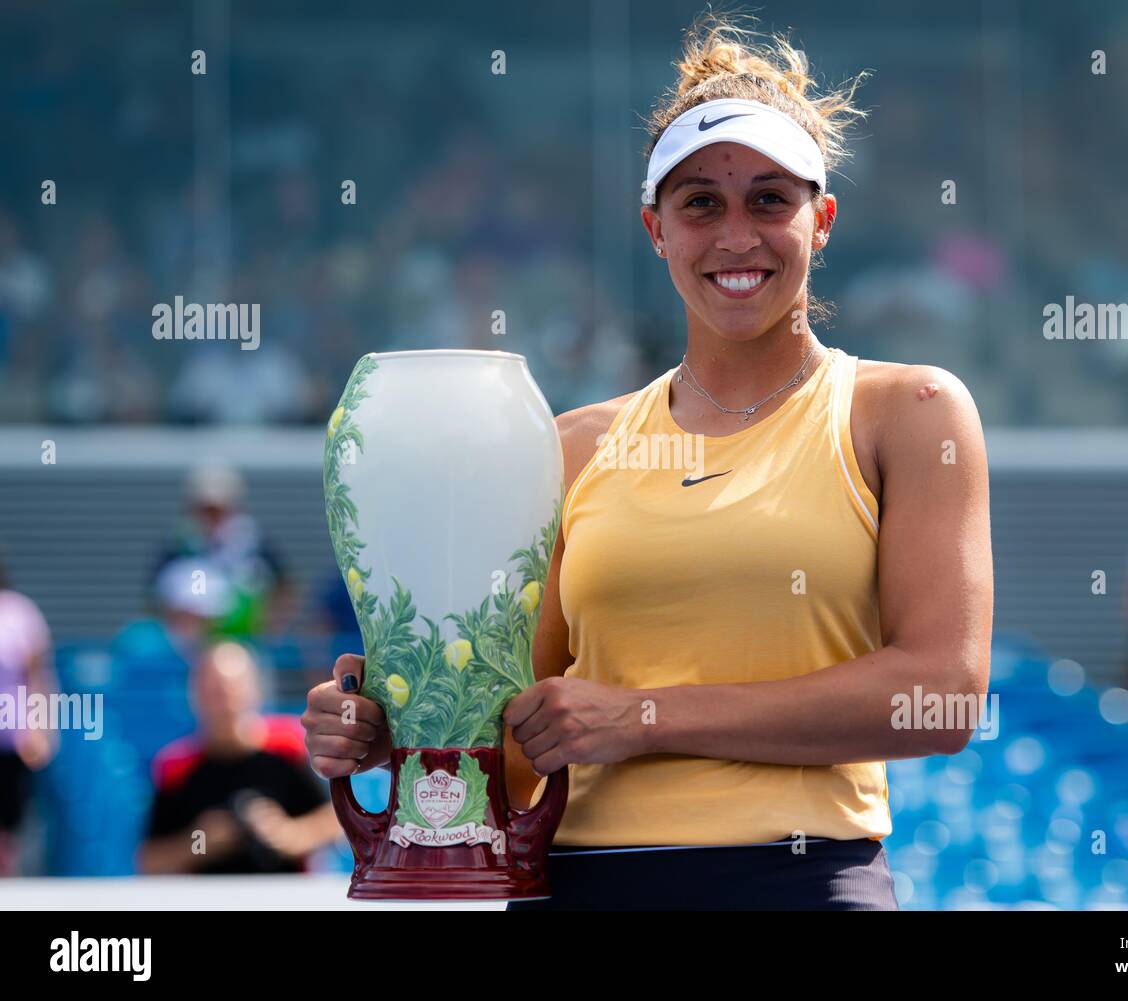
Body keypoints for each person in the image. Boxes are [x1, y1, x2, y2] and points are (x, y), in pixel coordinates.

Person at [301, 12, 993, 910]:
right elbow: (509, 736)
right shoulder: (571, 444)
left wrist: (644, 718)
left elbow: (940, 695)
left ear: (821, 221)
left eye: (769, 200)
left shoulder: (910, 411)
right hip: (579, 887)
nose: (736, 234)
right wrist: (383, 727)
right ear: (655, 228)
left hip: (803, 883)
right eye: (700, 201)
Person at [138, 640, 337, 875]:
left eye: (230, 690)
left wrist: (287, 835)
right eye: (212, 692)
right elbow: (148, 860)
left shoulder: (289, 747)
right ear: (194, 696)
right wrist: (200, 843)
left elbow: (338, 820)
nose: (223, 703)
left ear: (254, 690)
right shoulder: (176, 767)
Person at [151, 465, 293, 638]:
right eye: (205, 510)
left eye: (217, 511)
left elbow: (284, 588)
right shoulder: (176, 547)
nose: (211, 518)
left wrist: (268, 625)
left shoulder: (255, 545)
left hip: (242, 642)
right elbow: (155, 598)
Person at [0, 550, 55, 876]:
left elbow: (37, 674)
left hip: (11, 742)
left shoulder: (19, 612)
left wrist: (39, 728)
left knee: (13, 825)